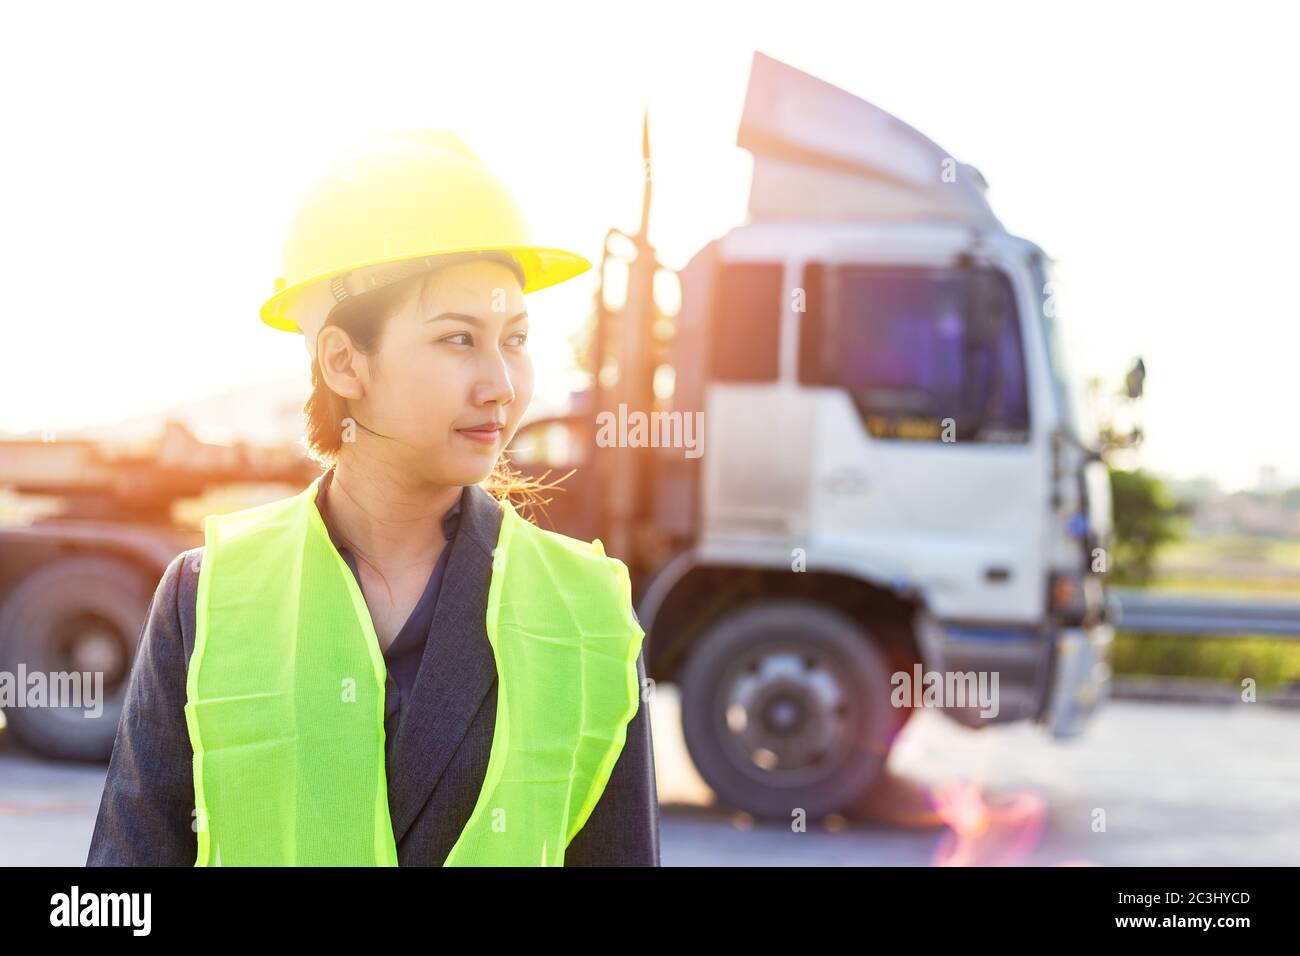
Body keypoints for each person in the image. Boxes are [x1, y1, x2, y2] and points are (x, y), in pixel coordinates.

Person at [87, 130, 660, 866]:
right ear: (343, 361)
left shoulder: (588, 613)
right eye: (459, 340)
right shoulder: (208, 598)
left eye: (515, 338)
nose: (502, 384)